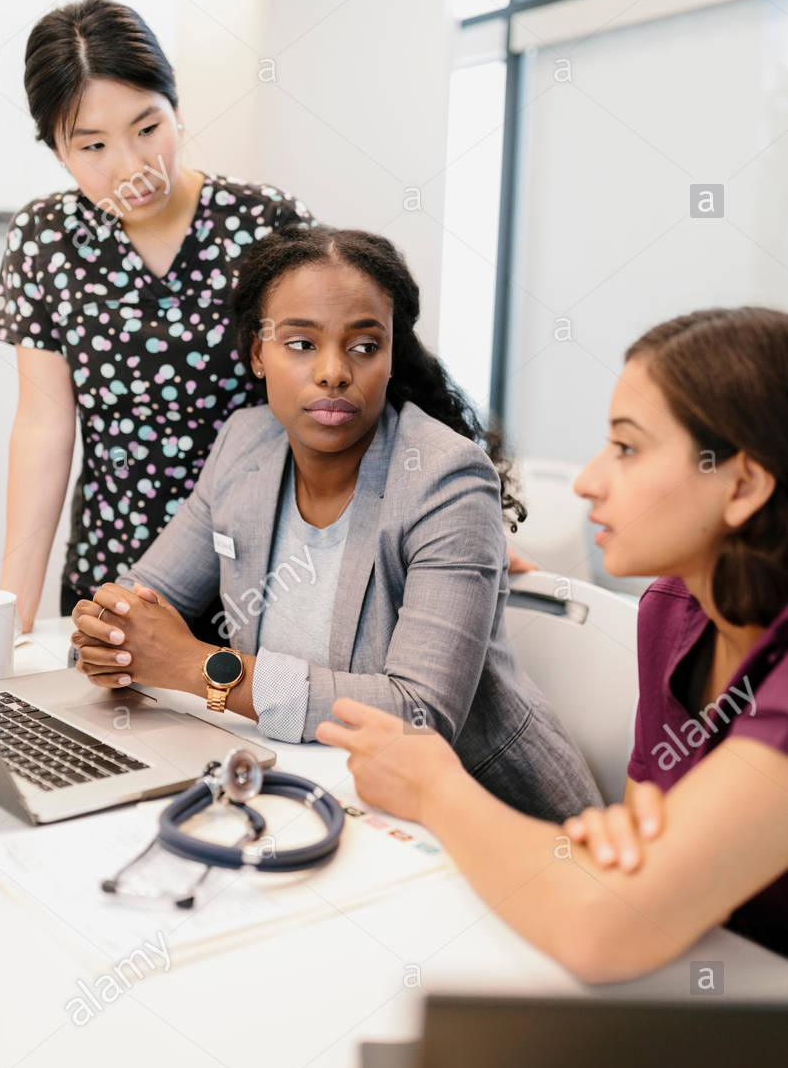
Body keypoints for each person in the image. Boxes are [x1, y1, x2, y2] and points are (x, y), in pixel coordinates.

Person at [70, 225, 602, 821]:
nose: (332, 372)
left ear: (391, 353)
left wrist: (199, 668)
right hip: (307, 785)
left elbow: (416, 715)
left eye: (364, 346)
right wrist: (109, 637)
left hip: (488, 821)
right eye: (300, 343)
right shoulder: (245, 444)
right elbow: (142, 602)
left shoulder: (446, 480)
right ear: (257, 352)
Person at [316, 307, 788, 977]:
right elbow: (632, 851)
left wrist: (434, 787)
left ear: (741, 484)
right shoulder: (674, 611)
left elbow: (605, 930)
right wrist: (635, 862)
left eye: (626, 448)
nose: (587, 480)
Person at [0, 0, 314, 634]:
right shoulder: (47, 238)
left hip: (258, 578)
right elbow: (44, 431)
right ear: (57, 150)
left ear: (176, 109)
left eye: (147, 128)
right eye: (93, 147)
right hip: (111, 581)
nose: (131, 168)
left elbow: (340, 393)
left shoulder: (266, 224)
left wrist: (442, 526)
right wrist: (11, 626)